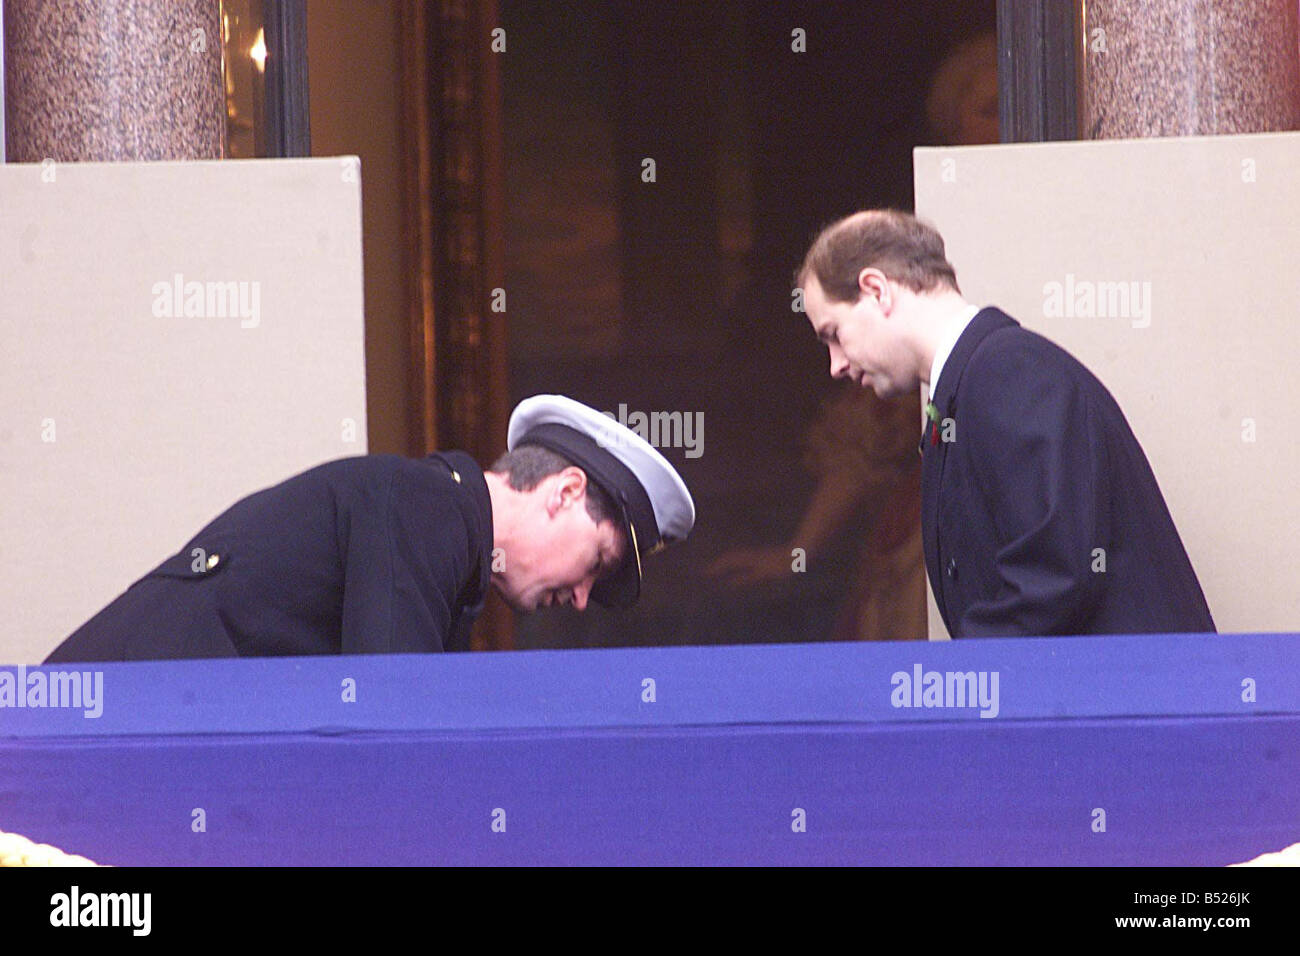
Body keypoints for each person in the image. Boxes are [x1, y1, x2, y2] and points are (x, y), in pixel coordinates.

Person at [796, 209, 1216, 638]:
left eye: (834, 333)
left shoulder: (1006, 370)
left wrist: (965, 683)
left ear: (876, 290)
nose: (836, 365)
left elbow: (1055, 571)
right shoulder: (982, 376)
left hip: (1121, 698)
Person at [44, 395, 695, 661]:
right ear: (564, 493)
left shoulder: (443, 534)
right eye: (596, 564)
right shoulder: (426, 509)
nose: (581, 598)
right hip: (89, 762)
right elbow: (389, 727)